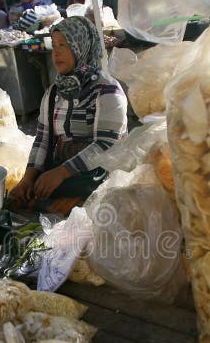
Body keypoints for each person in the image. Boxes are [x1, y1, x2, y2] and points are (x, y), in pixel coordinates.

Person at [10, 16, 128, 215]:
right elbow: (43, 139)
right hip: (62, 172)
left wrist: (63, 172)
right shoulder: (54, 92)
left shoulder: (106, 90)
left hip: (98, 172)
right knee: (19, 197)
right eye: (54, 45)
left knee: (87, 206)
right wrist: (28, 177)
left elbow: (107, 144)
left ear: (80, 46)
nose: (56, 53)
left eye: (63, 45)